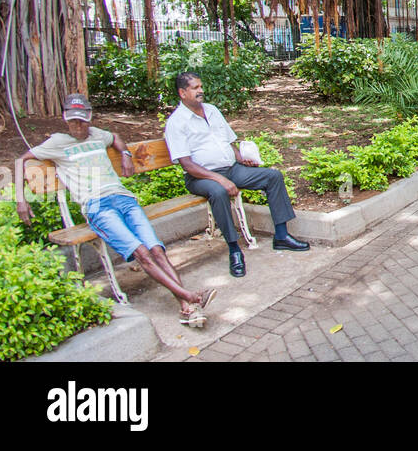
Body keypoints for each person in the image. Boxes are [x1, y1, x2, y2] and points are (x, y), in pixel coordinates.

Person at [15, 94, 216, 326]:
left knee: (157, 250)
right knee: (141, 253)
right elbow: (21, 160)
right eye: (73, 121)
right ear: (65, 119)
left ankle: (186, 307)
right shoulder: (57, 143)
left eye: (82, 120)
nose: (78, 126)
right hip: (98, 207)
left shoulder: (98, 135)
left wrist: (126, 154)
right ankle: (190, 296)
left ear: (89, 118)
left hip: (125, 199)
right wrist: (22, 200)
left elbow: (116, 137)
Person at [164, 73, 309, 278]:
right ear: (182, 92)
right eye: (195, 87)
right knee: (218, 191)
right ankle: (234, 250)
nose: (201, 91)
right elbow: (187, 165)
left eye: (201, 86)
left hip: (231, 169)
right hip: (201, 177)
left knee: (272, 176)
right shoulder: (176, 122)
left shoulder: (212, 111)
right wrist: (220, 179)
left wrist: (242, 158)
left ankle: (282, 236)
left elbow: (228, 142)